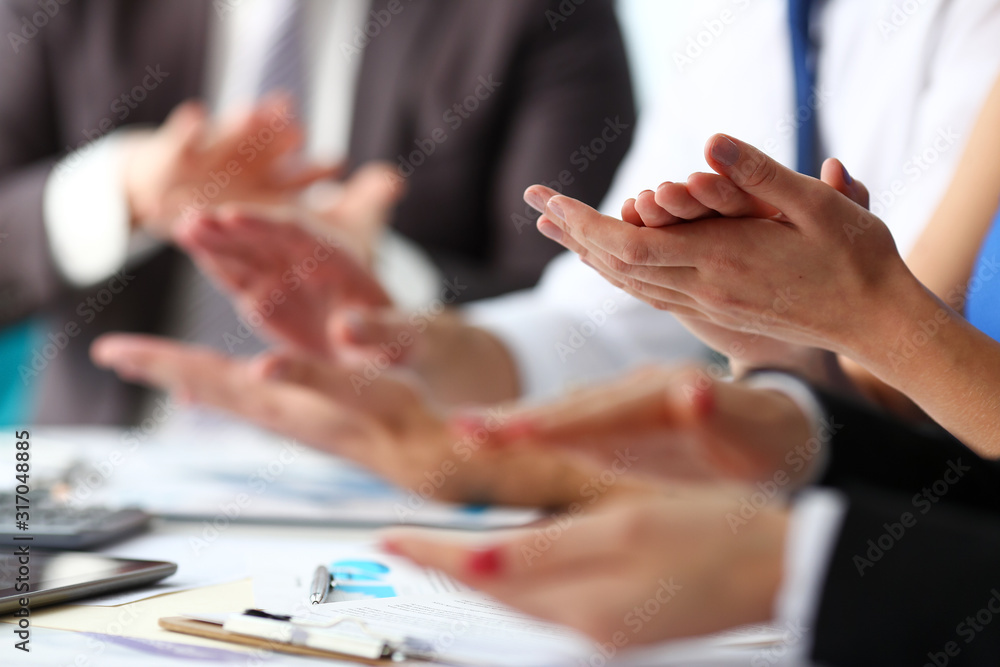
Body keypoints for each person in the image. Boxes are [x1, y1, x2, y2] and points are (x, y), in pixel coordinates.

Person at [0, 0, 635, 424]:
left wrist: (383, 281)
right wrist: (121, 191)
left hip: (409, 485)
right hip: (107, 482)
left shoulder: (536, 12)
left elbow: (590, 308)